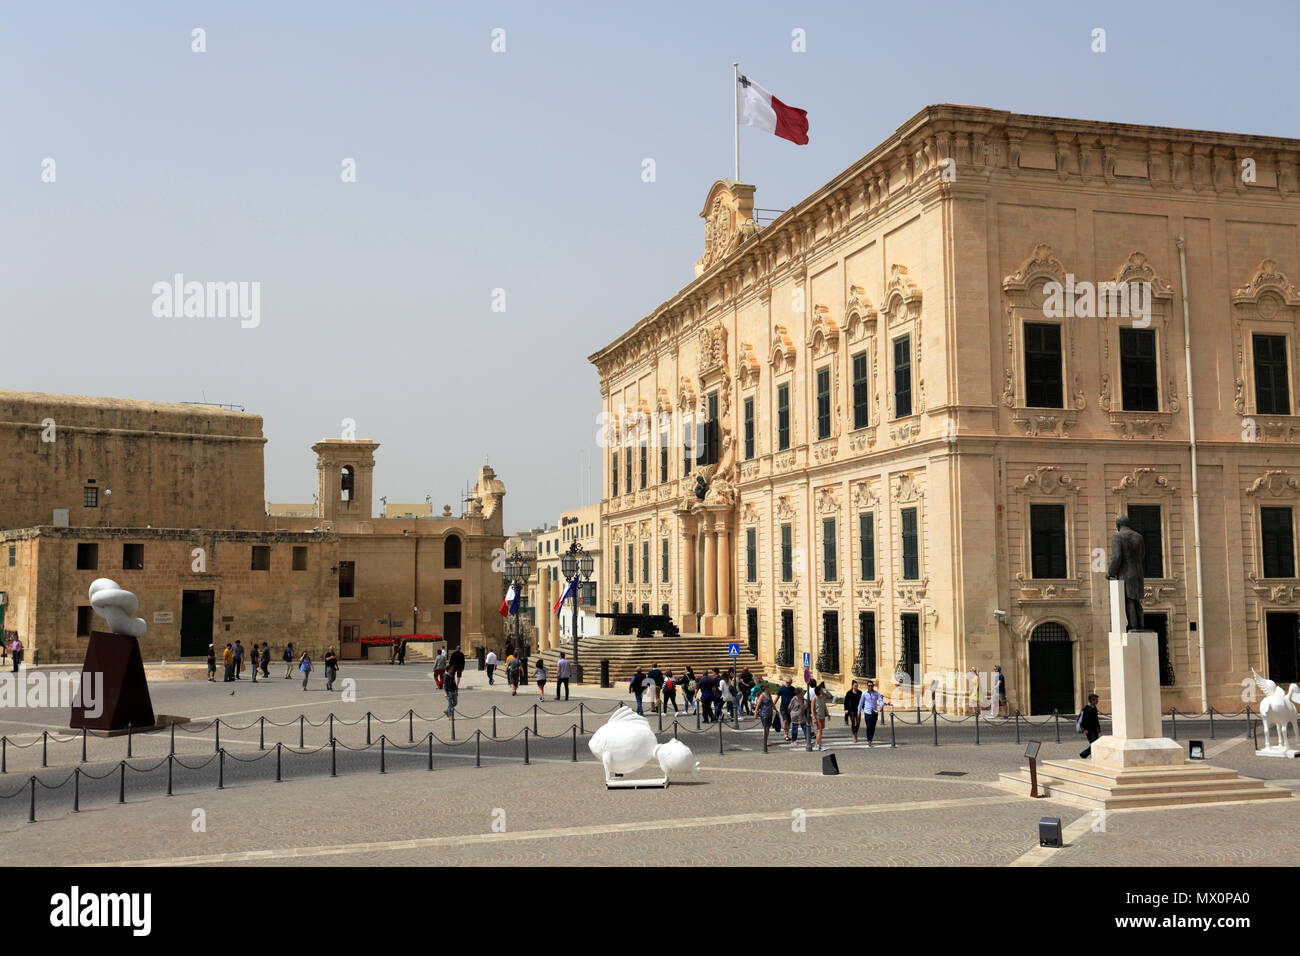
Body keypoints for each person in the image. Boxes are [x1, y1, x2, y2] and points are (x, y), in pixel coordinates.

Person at [857, 679, 888, 747]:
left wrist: (881, 705)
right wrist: (858, 712)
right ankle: (869, 740)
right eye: (869, 686)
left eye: (871, 686)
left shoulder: (876, 693)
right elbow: (860, 703)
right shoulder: (864, 693)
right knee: (869, 726)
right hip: (867, 712)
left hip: (874, 712)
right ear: (867, 686)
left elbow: (880, 700)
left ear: (873, 686)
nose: (870, 687)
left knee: (873, 727)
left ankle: (871, 739)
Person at [1079, 693, 1102, 759]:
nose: (1097, 701)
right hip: (1089, 730)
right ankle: (1084, 754)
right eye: (1096, 700)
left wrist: (1099, 727)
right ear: (1092, 700)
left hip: (1095, 729)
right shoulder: (1086, 708)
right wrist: (1085, 729)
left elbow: (1096, 719)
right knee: (1094, 743)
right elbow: (1084, 720)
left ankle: (1086, 754)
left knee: (1095, 743)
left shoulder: (1094, 707)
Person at [756, 683, 775, 749]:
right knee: (765, 728)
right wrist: (755, 713)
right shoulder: (762, 696)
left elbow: (772, 703)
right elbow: (758, 705)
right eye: (768, 687)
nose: (769, 688)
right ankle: (765, 741)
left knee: (768, 728)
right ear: (765, 688)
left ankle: (766, 740)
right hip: (764, 714)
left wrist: (776, 710)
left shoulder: (769, 695)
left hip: (770, 713)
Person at [812, 684, 830, 750]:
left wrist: (828, 714)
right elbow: (812, 710)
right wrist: (813, 718)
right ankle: (819, 746)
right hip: (817, 717)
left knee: (820, 731)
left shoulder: (822, 698)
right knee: (819, 731)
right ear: (819, 691)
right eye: (821, 689)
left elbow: (825, 706)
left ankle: (817, 744)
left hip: (822, 716)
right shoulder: (814, 699)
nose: (822, 690)